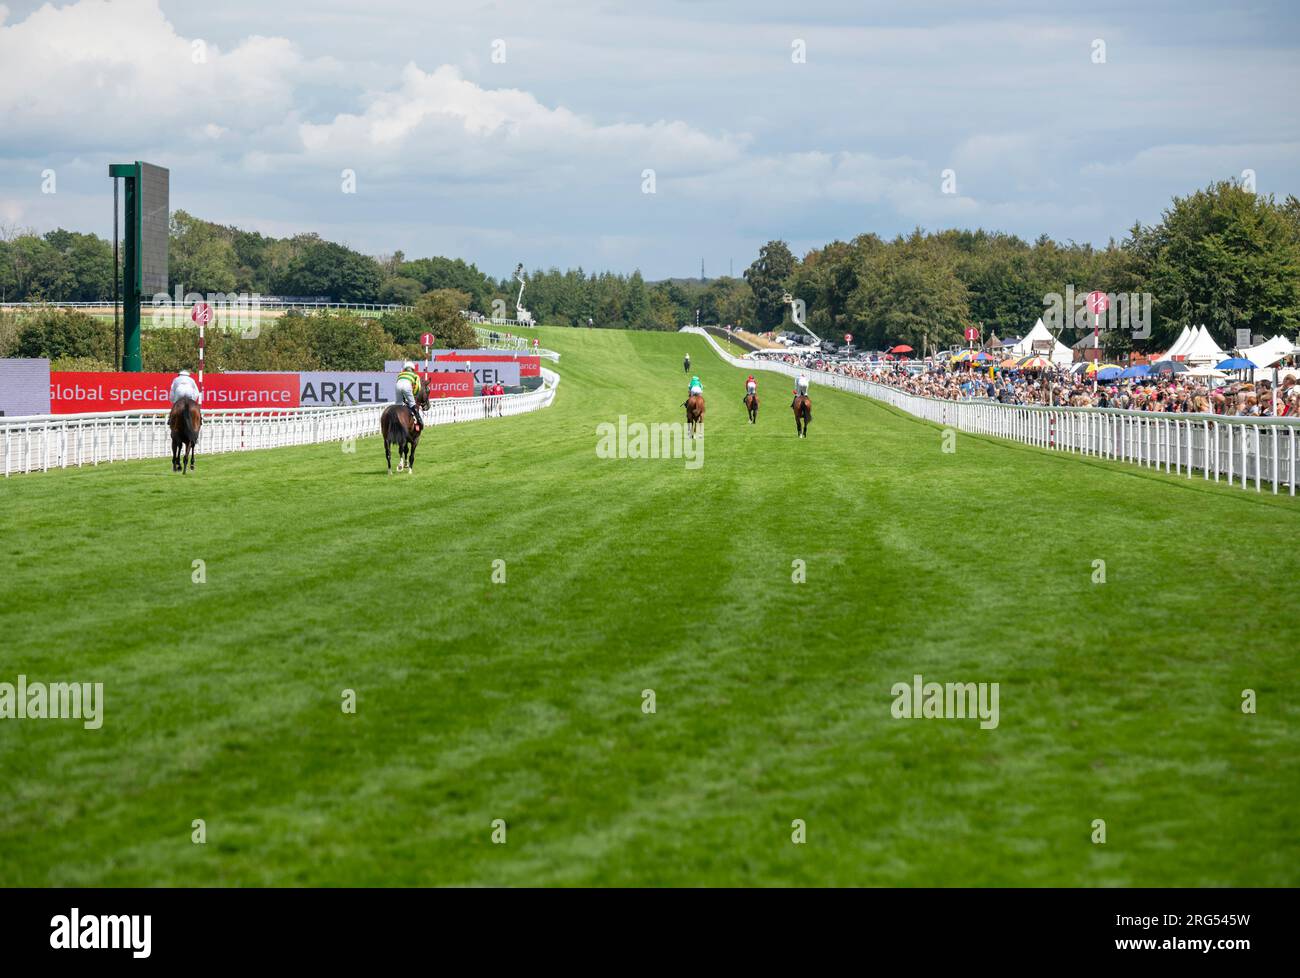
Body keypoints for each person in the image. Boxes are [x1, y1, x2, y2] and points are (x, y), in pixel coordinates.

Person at [395, 361, 423, 430]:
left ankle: (396, 420)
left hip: (397, 386)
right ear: (413, 369)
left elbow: (398, 384)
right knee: (412, 404)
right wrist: (413, 395)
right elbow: (418, 387)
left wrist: (403, 397)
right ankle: (419, 421)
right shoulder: (415, 375)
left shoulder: (400, 374)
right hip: (407, 386)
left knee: (398, 404)